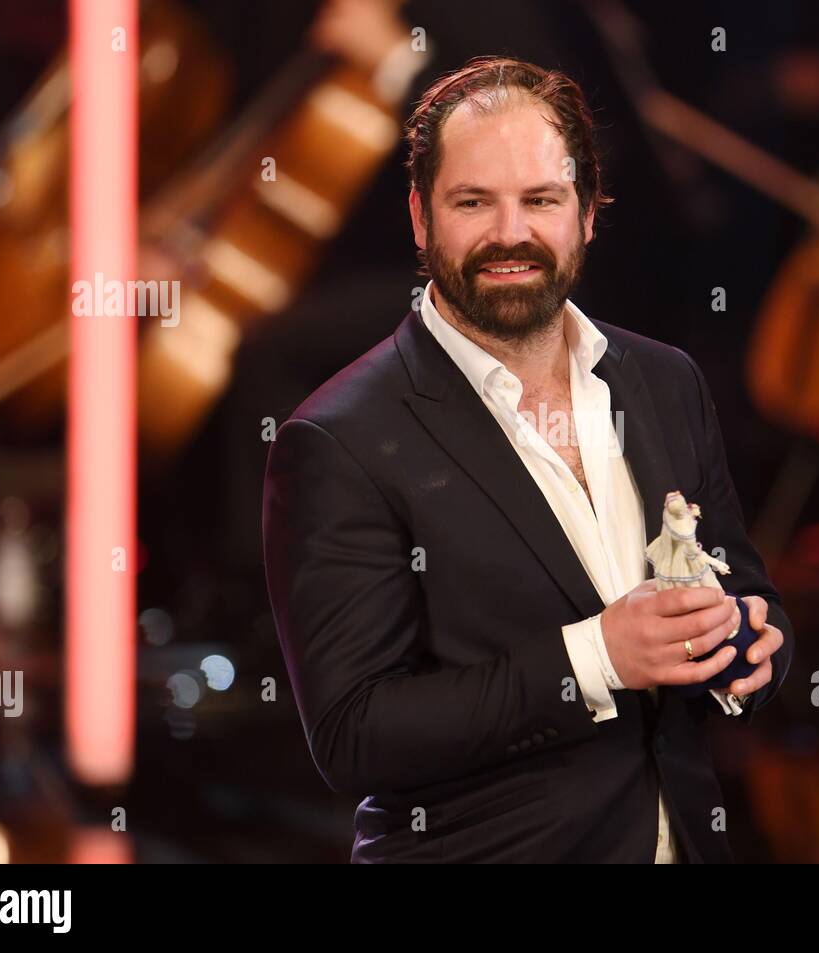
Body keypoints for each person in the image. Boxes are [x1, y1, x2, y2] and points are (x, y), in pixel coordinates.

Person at [262, 56, 792, 863]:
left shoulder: (665, 379)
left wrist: (750, 643)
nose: (510, 233)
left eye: (540, 200)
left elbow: (746, 588)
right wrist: (598, 655)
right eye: (473, 202)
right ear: (420, 216)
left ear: (585, 213)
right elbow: (354, 733)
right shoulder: (340, 439)